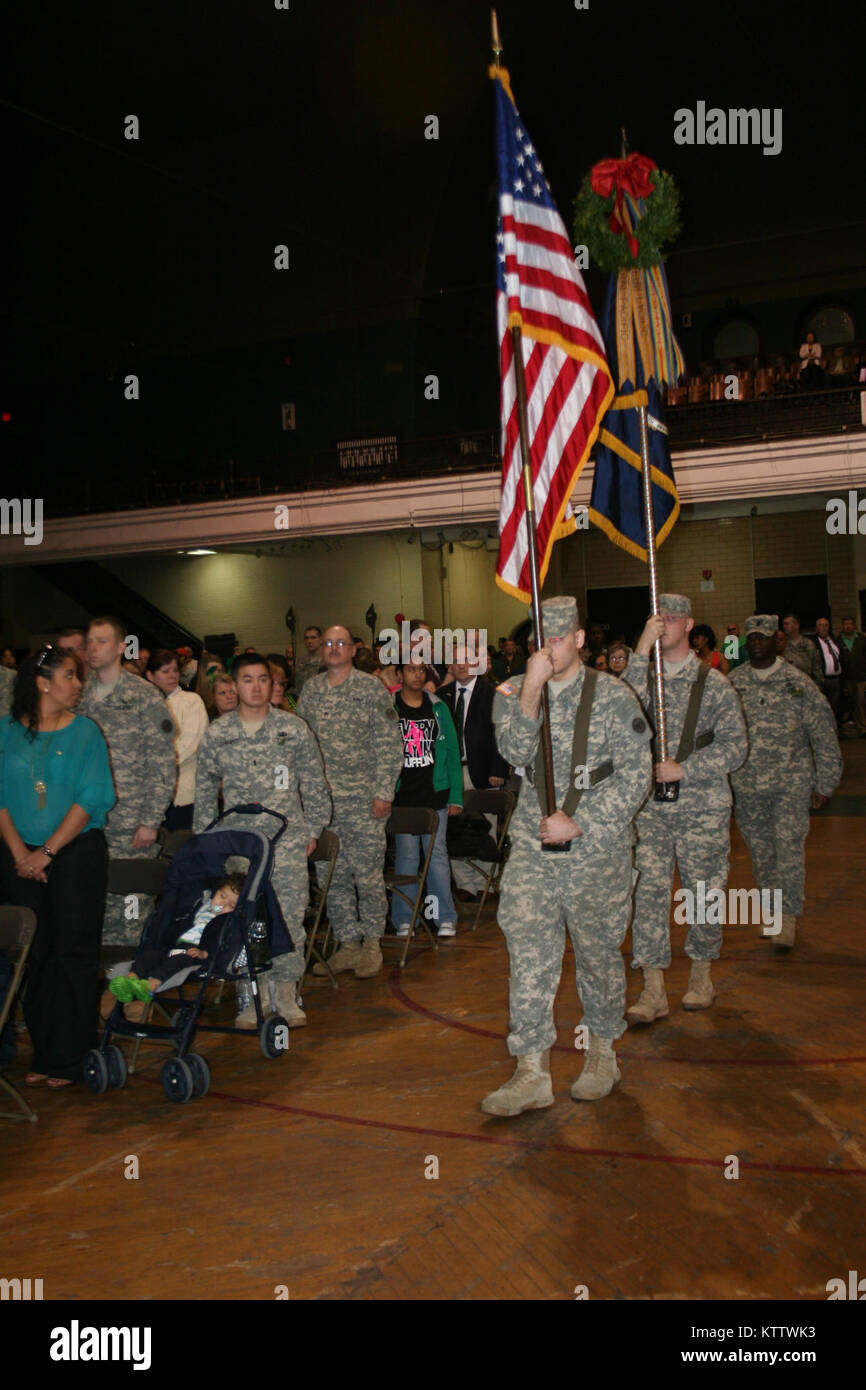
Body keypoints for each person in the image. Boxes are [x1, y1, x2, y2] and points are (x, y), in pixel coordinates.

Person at [482, 596, 653, 1115]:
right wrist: (531, 686)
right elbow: (513, 752)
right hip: (535, 848)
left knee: (598, 953)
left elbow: (637, 774)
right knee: (528, 951)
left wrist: (585, 822)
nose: (550, 647)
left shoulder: (615, 696)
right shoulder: (513, 692)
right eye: (542, 638)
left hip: (595, 849)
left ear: (579, 639)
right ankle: (531, 1070)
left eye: (560, 637)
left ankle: (602, 1053)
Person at [622, 595, 747, 1024]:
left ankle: (701, 977)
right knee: (649, 894)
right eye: (658, 618)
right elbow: (619, 704)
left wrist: (686, 769)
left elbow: (736, 748)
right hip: (651, 810)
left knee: (704, 894)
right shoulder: (645, 680)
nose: (665, 624)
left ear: (690, 625)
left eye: (673, 618)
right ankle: (653, 988)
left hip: (702, 809)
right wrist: (641, 647)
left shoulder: (714, 685)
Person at [194, 653, 331, 1026]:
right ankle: (250, 994)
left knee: (288, 917)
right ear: (234, 686)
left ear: (273, 685)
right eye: (248, 679)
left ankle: (287, 992)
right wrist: (207, 841)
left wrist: (314, 829)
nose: (256, 686)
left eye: (263, 679)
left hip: (286, 842)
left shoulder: (293, 728)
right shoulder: (218, 734)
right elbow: (204, 790)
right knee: (243, 919)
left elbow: (314, 781)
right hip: (238, 847)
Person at [0, 646, 114, 1085]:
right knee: (38, 953)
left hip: (75, 852)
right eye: (69, 675)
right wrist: (19, 855)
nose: (78, 684)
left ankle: (71, 1057)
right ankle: (45, 1055)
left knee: (72, 949)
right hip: (19, 855)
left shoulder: (85, 732)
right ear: (42, 682)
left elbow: (92, 797)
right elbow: (2, 799)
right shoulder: (7, 733)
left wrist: (45, 852)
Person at [298, 625, 404, 980]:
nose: (333, 648)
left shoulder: (370, 688)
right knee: (331, 875)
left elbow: (390, 742)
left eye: (340, 643)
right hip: (323, 803)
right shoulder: (311, 690)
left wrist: (383, 792)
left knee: (367, 874)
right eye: (328, 643)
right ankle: (347, 944)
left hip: (363, 800)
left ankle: (373, 942)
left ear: (353, 649)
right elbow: (303, 747)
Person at [730, 615, 842, 951]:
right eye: (752, 638)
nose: (757, 643)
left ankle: (788, 917)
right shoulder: (733, 684)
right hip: (748, 786)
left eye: (763, 637)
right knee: (762, 855)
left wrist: (826, 781)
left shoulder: (798, 683)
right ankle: (773, 913)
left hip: (791, 785)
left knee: (788, 850)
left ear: (778, 640)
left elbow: (823, 733)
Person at [77, 617, 177, 946]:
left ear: (121, 647)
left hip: (132, 820)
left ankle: (135, 984)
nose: (93, 648)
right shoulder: (77, 695)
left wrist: (150, 820)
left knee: (133, 904)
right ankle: (109, 982)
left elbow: (163, 762)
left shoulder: (145, 695)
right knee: (96, 902)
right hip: (86, 820)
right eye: (89, 641)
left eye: (101, 641)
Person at [101, 873, 245, 1022]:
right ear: (216, 892)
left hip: (194, 954)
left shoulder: (226, 922)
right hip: (175, 947)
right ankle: (131, 980)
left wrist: (204, 953)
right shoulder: (200, 906)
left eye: (231, 905)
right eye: (222, 896)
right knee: (148, 957)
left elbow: (222, 944)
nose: (223, 905)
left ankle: (151, 985)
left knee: (177, 961)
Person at [391, 660, 461, 937]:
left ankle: (443, 917)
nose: (418, 675)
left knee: (437, 857)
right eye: (411, 670)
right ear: (399, 674)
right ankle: (405, 918)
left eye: (422, 670)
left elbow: (453, 754)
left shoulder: (439, 707)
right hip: (403, 796)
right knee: (407, 858)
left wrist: (455, 795)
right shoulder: (389, 708)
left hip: (436, 794)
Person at [438, 642, 509, 900]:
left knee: (484, 828)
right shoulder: (442, 695)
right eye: (455, 660)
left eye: (466, 659)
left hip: (483, 772)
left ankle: (485, 883)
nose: (461, 665)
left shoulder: (492, 694)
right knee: (454, 828)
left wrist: (498, 768)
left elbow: (500, 733)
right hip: (452, 773)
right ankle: (465, 884)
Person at [145, 649, 209, 831]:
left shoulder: (191, 700)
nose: (172, 675)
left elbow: (189, 745)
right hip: (150, 796)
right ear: (150, 676)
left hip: (184, 794)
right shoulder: (145, 705)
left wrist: (155, 766)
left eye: (175, 670)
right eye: (165, 671)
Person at [838, 615, 866, 736]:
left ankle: (862, 728)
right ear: (842, 626)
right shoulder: (838, 640)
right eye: (845, 624)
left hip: (861, 677)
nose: (848, 626)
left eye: (850, 624)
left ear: (854, 626)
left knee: (861, 703)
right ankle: (848, 728)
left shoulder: (861, 639)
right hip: (846, 678)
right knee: (849, 704)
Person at [811, 618, 843, 723]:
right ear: (816, 628)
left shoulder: (834, 640)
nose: (823, 627)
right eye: (821, 625)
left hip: (836, 679)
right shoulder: (813, 643)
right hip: (822, 679)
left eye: (826, 625)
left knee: (835, 705)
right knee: (823, 706)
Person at [781, 613, 823, 688]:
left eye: (787, 624)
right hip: (788, 685)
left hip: (807, 685)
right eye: (783, 624)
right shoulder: (782, 645)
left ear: (796, 625)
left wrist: (818, 686)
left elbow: (816, 667)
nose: (784, 627)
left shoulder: (808, 644)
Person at [293, 626, 324, 692]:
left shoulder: (327, 662)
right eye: (306, 638)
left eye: (313, 638)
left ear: (321, 640)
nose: (309, 641)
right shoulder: (300, 662)